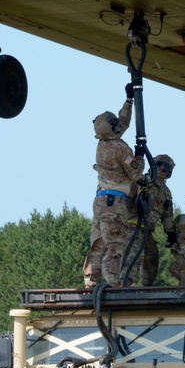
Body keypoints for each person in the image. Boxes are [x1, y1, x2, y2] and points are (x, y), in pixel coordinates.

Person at [83, 87, 144, 287]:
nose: (120, 126)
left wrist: (128, 101)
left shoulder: (102, 143)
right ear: (113, 130)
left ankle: (91, 282)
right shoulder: (120, 149)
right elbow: (136, 174)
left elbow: (122, 123)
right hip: (115, 203)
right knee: (114, 246)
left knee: (98, 244)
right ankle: (114, 285)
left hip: (101, 201)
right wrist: (140, 158)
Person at [131, 154, 177, 286]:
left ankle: (147, 288)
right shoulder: (141, 180)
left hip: (147, 230)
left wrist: (170, 232)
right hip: (133, 226)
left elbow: (167, 215)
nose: (163, 169)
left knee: (152, 257)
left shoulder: (166, 192)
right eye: (159, 164)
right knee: (132, 257)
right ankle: (123, 286)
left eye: (167, 167)